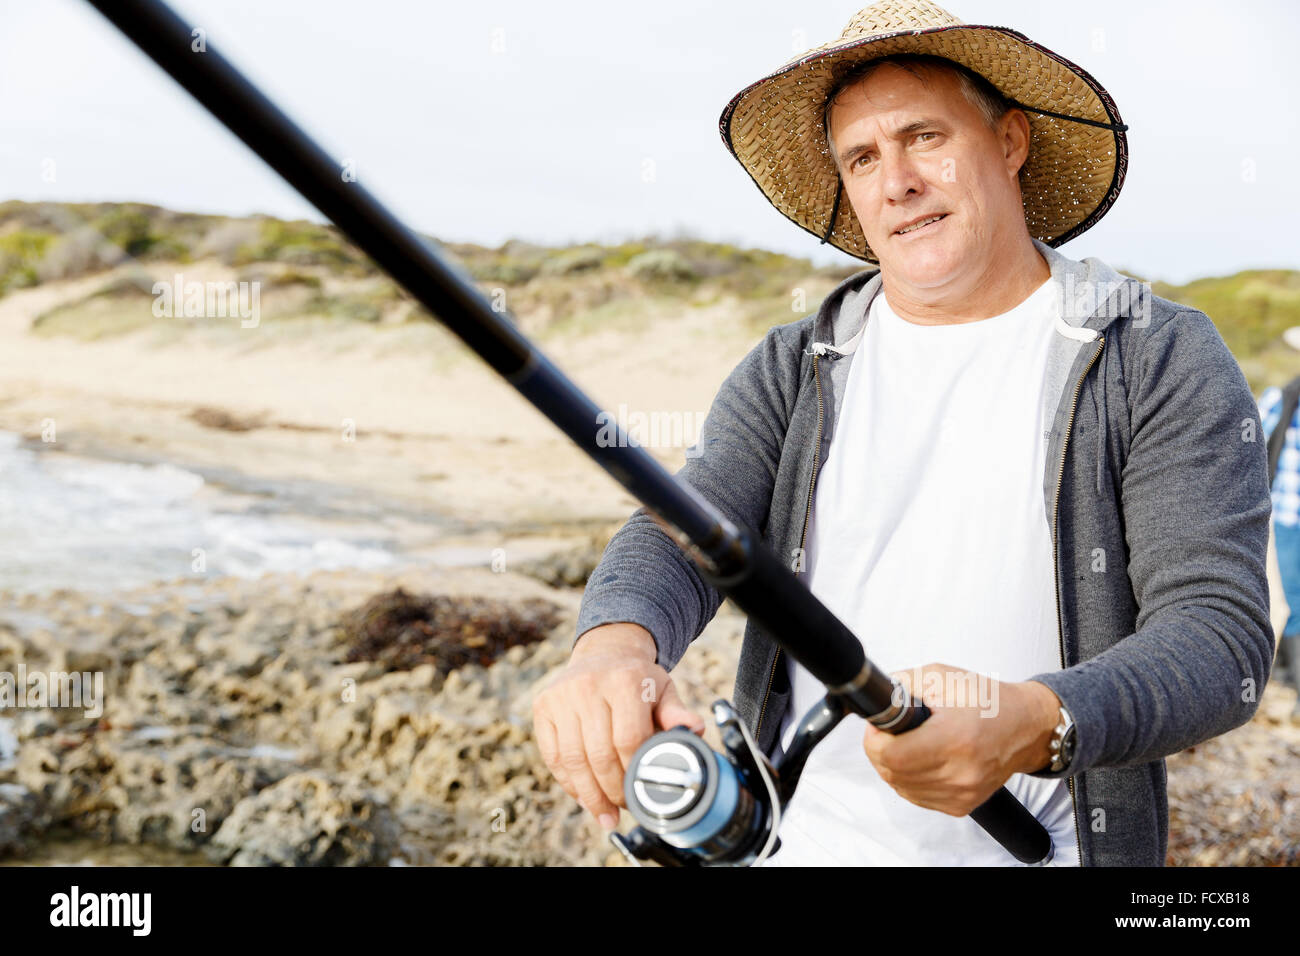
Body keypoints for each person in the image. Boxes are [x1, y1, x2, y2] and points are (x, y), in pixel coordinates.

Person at [531, 0, 1273, 866]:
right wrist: (611, 648)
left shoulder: (1152, 353)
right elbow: (686, 527)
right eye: (863, 158)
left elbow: (1219, 636)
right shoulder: (795, 364)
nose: (897, 182)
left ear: (1011, 141)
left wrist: (1036, 722)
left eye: (925, 136)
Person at [1258, 327, 1300, 724]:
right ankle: (1292, 680)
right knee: (1293, 597)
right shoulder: (1283, 397)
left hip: (1288, 516)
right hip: (1288, 517)